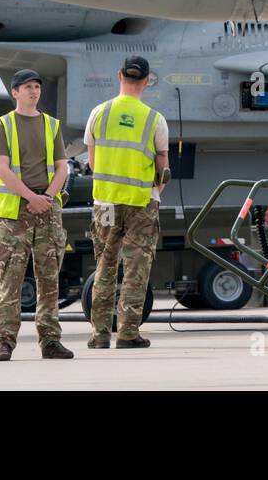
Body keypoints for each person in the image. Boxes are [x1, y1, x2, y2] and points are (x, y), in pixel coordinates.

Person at [85, 55, 170, 349]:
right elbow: (163, 168)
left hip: (106, 204)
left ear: (119, 75)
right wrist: (154, 191)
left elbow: (94, 162)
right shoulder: (154, 119)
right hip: (140, 203)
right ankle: (127, 333)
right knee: (136, 268)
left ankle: (99, 335)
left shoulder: (99, 113)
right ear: (147, 81)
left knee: (104, 267)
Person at [0, 68, 73, 361]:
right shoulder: (4, 125)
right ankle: (5, 342)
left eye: (37, 86)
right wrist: (31, 197)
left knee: (49, 280)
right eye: (27, 87)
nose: (34, 91)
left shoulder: (51, 125)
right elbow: (2, 168)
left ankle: (50, 340)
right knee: (10, 279)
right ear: (15, 93)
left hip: (47, 212)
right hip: (15, 215)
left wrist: (47, 197)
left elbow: (63, 166)